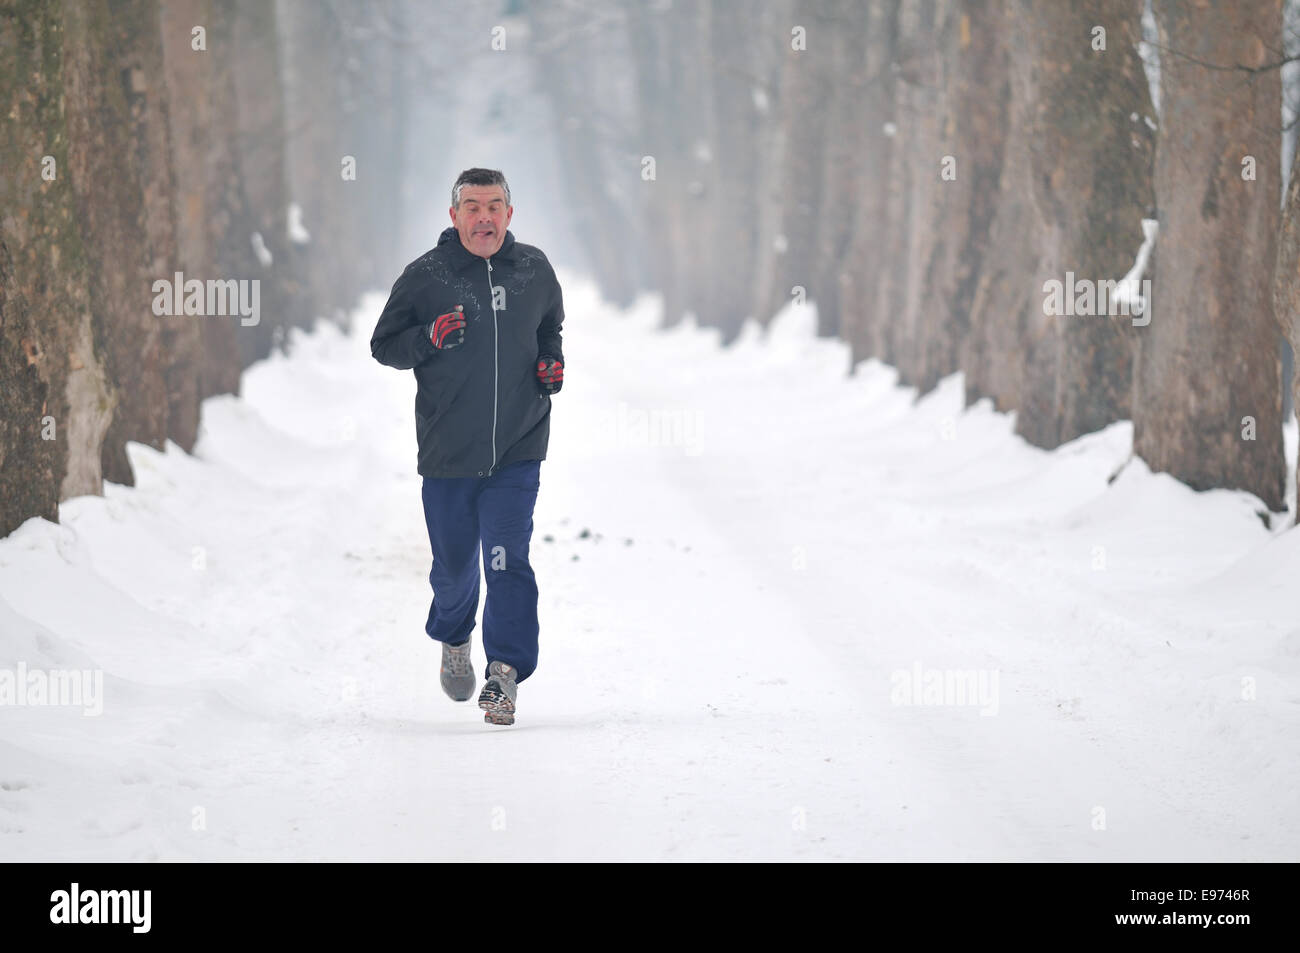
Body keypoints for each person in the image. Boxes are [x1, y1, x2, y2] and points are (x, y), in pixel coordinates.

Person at [369, 168, 564, 726]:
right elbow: (384, 345)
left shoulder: (533, 270)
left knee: (507, 560)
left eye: (495, 205)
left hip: (518, 449)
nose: (485, 216)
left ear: (510, 214)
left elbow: (550, 327)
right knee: (455, 569)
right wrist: (427, 339)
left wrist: (551, 365)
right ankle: (455, 638)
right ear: (453, 216)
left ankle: (504, 673)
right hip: (449, 453)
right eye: (473, 206)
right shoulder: (427, 276)